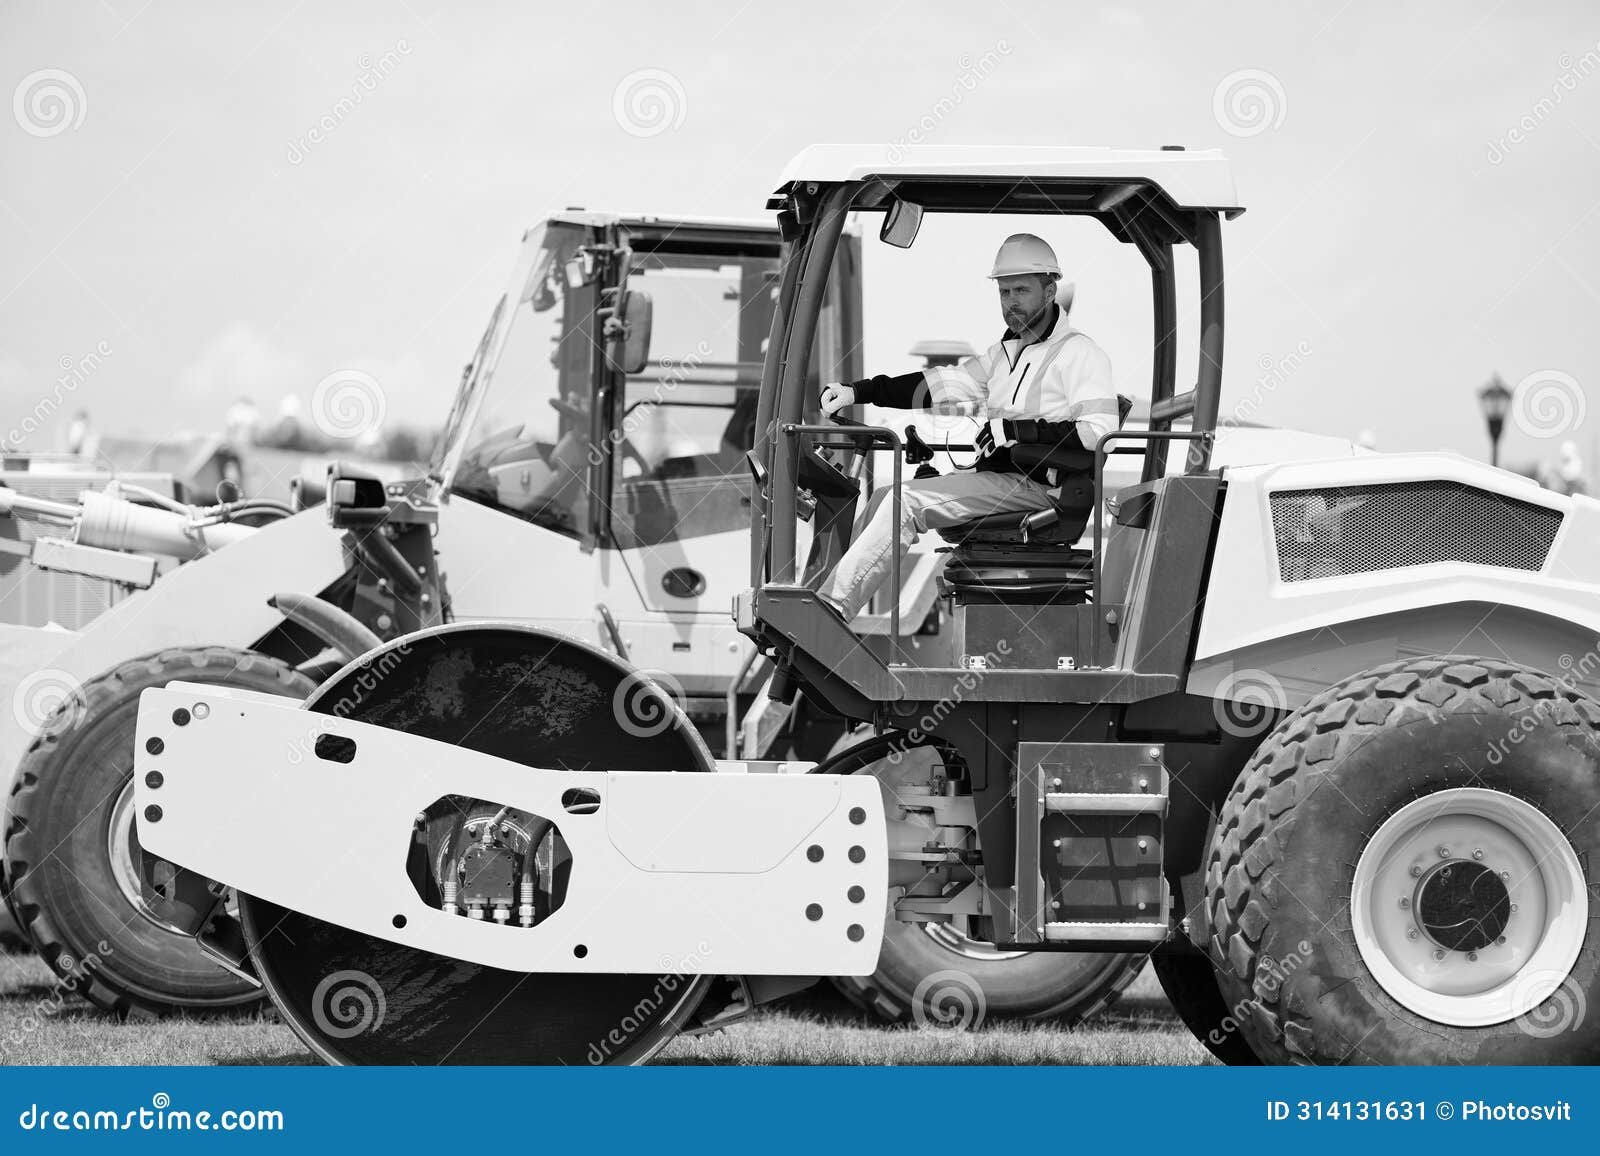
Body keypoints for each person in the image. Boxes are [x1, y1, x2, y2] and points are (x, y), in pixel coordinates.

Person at [815, 233, 1120, 622]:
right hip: (1003, 480)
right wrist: (860, 391)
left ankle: (831, 612)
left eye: (1021, 290)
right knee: (888, 495)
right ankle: (828, 595)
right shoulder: (1006, 353)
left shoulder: (1080, 353)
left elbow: (1101, 434)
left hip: (1042, 488)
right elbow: (941, 386)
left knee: (905, 504)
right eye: (1004, 291)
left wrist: (1020, 432)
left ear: (1049, 290)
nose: (1011, 302)